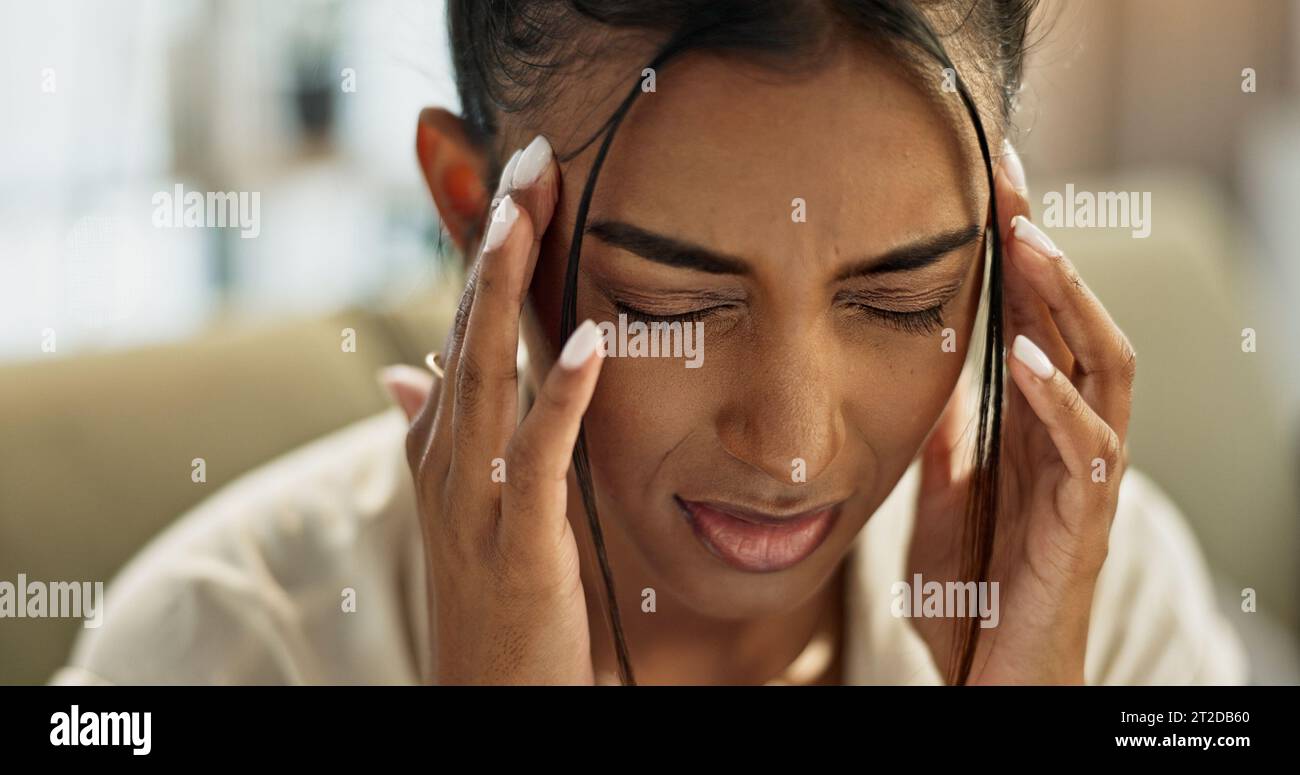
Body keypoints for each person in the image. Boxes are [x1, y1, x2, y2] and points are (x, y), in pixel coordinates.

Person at [53, 0, 1245, 686]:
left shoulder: (1101, 591)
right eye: (673, 306)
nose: (789, 447)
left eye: (900, 299)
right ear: (476, 215)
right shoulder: (221, 645)